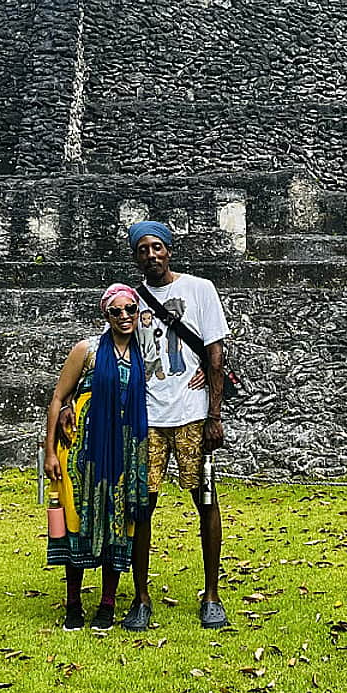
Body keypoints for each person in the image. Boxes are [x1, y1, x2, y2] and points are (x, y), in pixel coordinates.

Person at [121, 220, 229, 631]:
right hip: (149, 416)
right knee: (141, 506)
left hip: (191, 412)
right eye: (143, 250)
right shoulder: (130, 300)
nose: (151, 255)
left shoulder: (200, 289)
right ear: (136, 256)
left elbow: (216, 354)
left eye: (157, 248)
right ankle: (142, 597)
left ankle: (212, 595)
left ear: (169, 250)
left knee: (205, 500)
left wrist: (215, 416)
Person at [43, 284, 150, 631]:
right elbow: (58, 397)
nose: (124, 317)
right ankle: (73, 603)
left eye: (130, 309)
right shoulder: (87, 350)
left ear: (138, 312)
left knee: (117, 522)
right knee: (76, 521)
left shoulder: (143, 354)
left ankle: (107, 603)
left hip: (124, 453)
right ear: (106, 315)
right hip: (81, 453)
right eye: (116, 311)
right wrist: (49, 452)